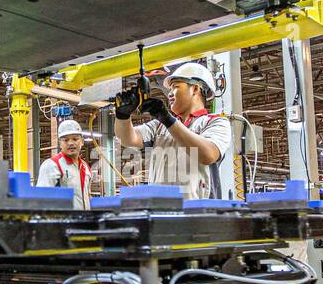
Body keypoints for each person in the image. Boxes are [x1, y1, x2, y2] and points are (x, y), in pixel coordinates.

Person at [113, 61, 231, 200]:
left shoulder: (215, 122)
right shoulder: (159, 126)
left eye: (175, 87)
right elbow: (127, 139)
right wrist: (123, 116)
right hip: (161, 211)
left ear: (195, 89)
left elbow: (208, 154)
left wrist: (168, 119)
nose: (169, 93)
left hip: (198, 212)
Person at [36, 118, 93, 210]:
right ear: (60, 143)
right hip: (63, 222)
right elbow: (41, 200)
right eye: (66, 140)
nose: (70, 143)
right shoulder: (52, 165)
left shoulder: (85, 167)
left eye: (75, 139)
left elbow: (87, 196)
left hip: (84, 221)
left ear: (82, 141)